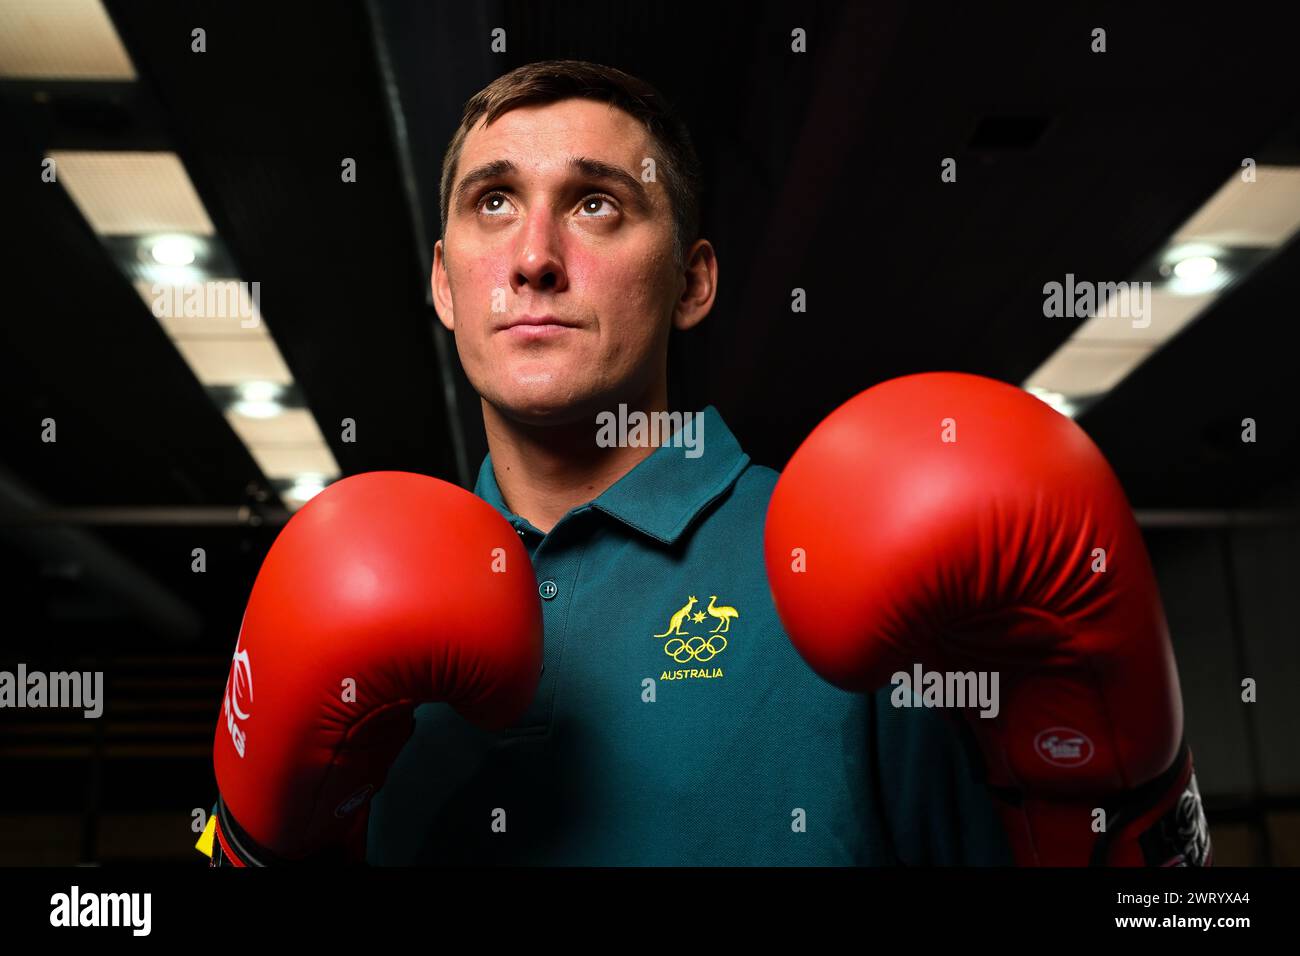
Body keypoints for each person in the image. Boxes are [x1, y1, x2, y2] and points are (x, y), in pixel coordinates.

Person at [360, 59, 1014, 865]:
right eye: (494, 202)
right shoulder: (371, 591)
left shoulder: (851, 563)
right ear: (444, 284)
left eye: (596, 204)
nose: (534, 258)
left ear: (692, 283)